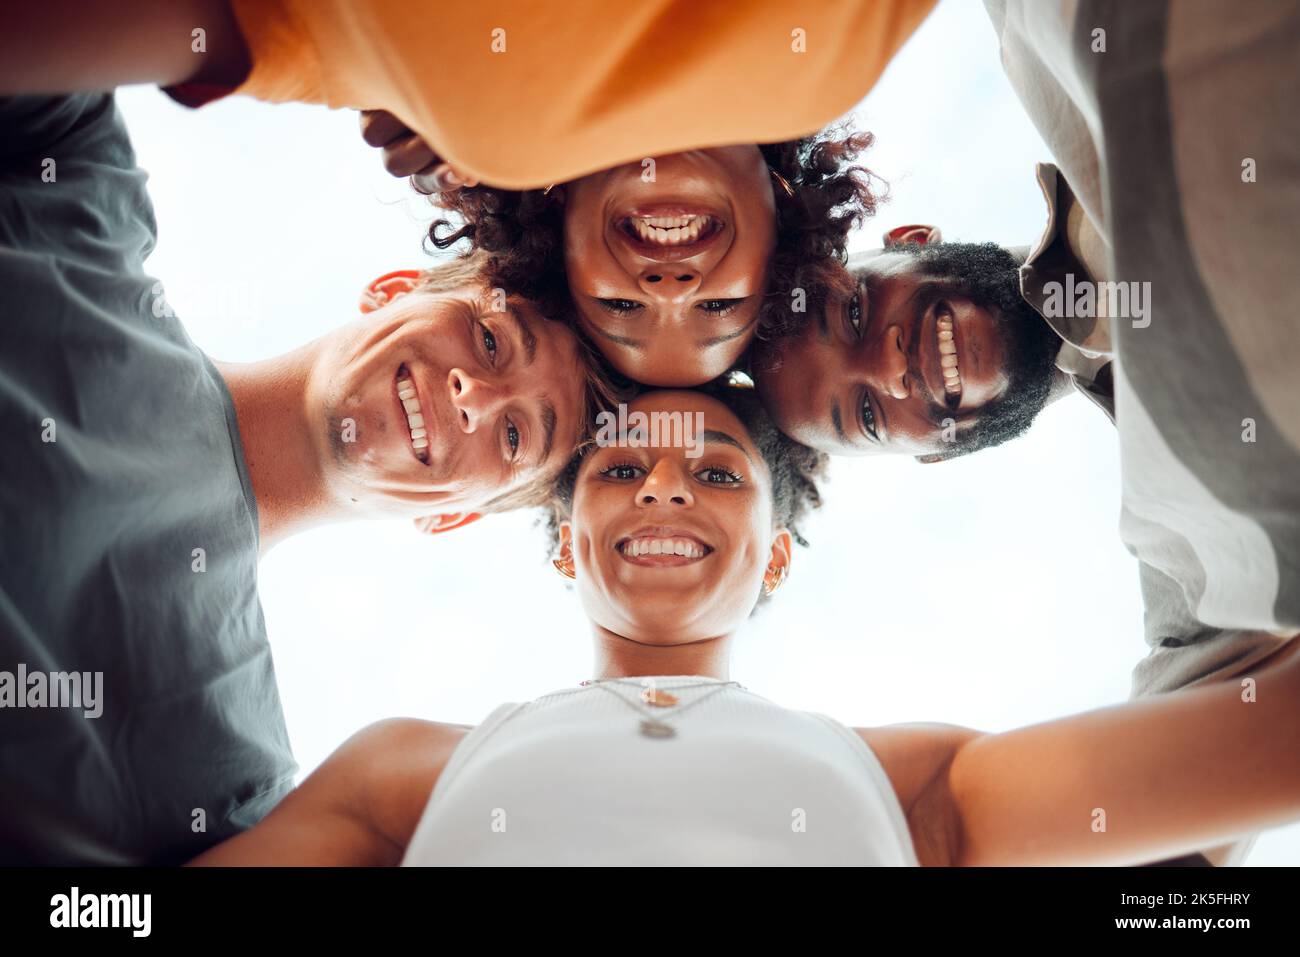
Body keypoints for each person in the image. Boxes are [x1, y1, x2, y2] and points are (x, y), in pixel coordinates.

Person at [188, 388, 1300, 866]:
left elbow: (1266, 748)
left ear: (773, 552)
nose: (665, 491)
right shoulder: (403, 775)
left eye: (715, 472)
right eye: (622, 468)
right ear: (566, 542)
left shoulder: (914, 782)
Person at [0, 92, 607, 864]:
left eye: (516, 434)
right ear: (393, 290)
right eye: (489, 340)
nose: (474, 397)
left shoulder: (233, 789)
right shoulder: (74, 193)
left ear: (454, 518)